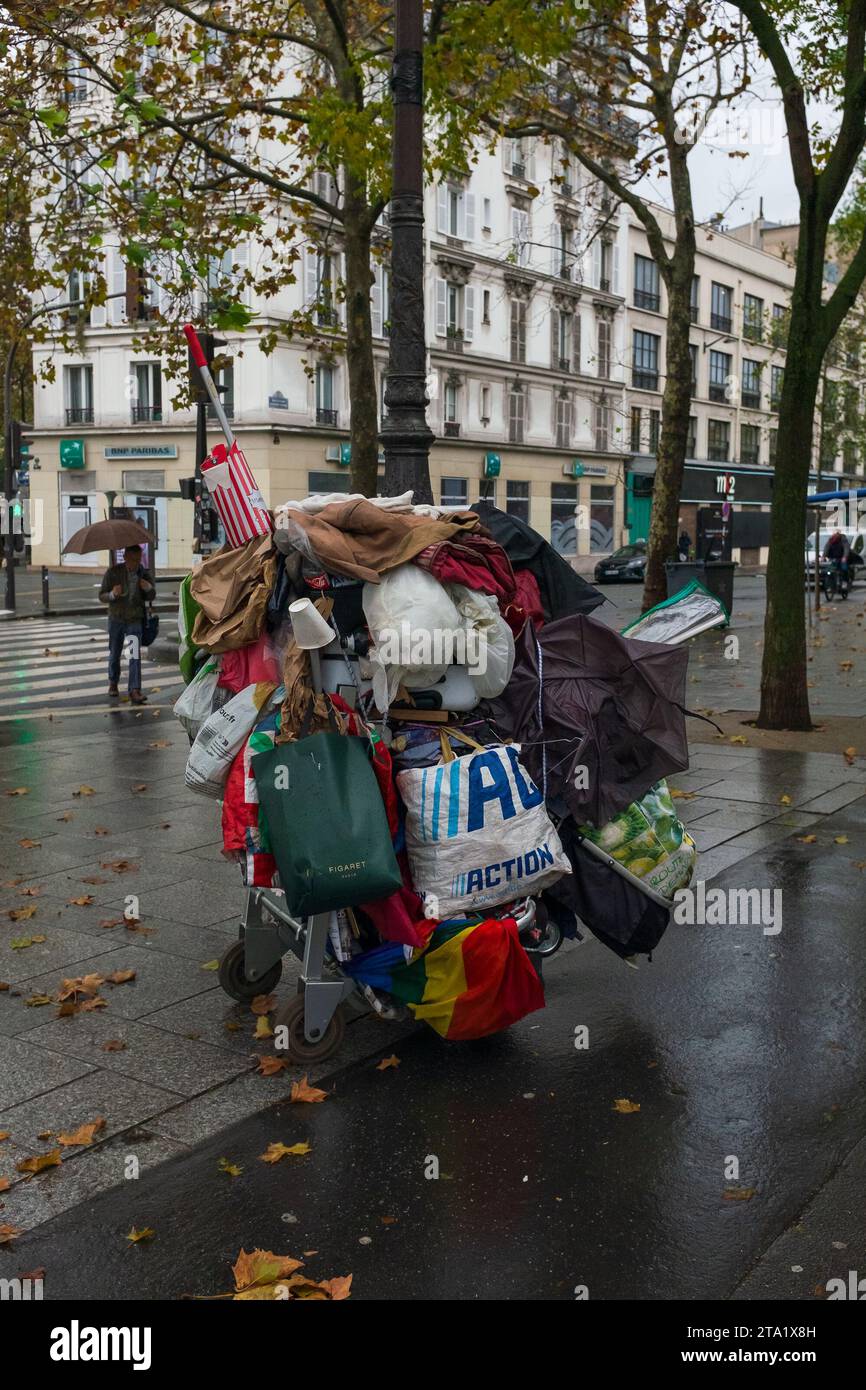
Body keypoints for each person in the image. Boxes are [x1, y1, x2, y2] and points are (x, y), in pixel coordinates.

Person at [98, 544, 155, 703]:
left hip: (135, 619)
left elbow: (152, 595)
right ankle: (113, 682)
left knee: (134, 654)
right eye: (132, 559)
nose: (135, 563)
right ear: (125, 557)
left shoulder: (143, 573)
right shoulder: (113, 572)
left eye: (138, 559)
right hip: (116, 618)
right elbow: (101, 595)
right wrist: (112, 594)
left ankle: (135, 690)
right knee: (115, 652)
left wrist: (148, 587)